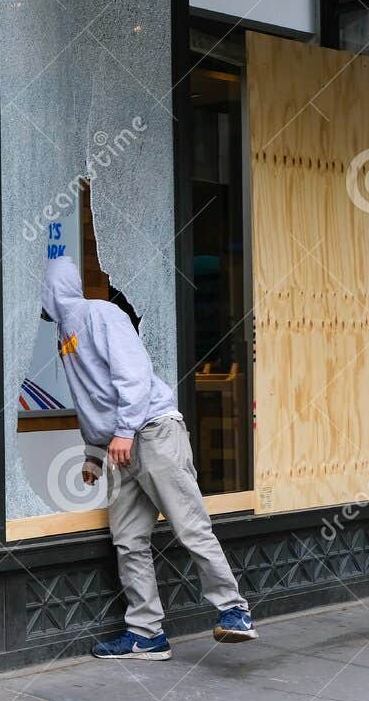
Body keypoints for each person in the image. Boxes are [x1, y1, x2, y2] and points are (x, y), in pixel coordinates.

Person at [40, 256, 256, 661]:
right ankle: (146, 635)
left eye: (41, 288)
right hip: (120, 446)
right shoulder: (65, 334)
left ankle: (235, 611)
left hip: (152, 432)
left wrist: (122, 431)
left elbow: (133, 373)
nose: (39, 298)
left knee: (189, 525)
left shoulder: (100, 314)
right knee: (128, 541)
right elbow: (90, 397)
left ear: (52, 288)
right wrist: (93, 452)